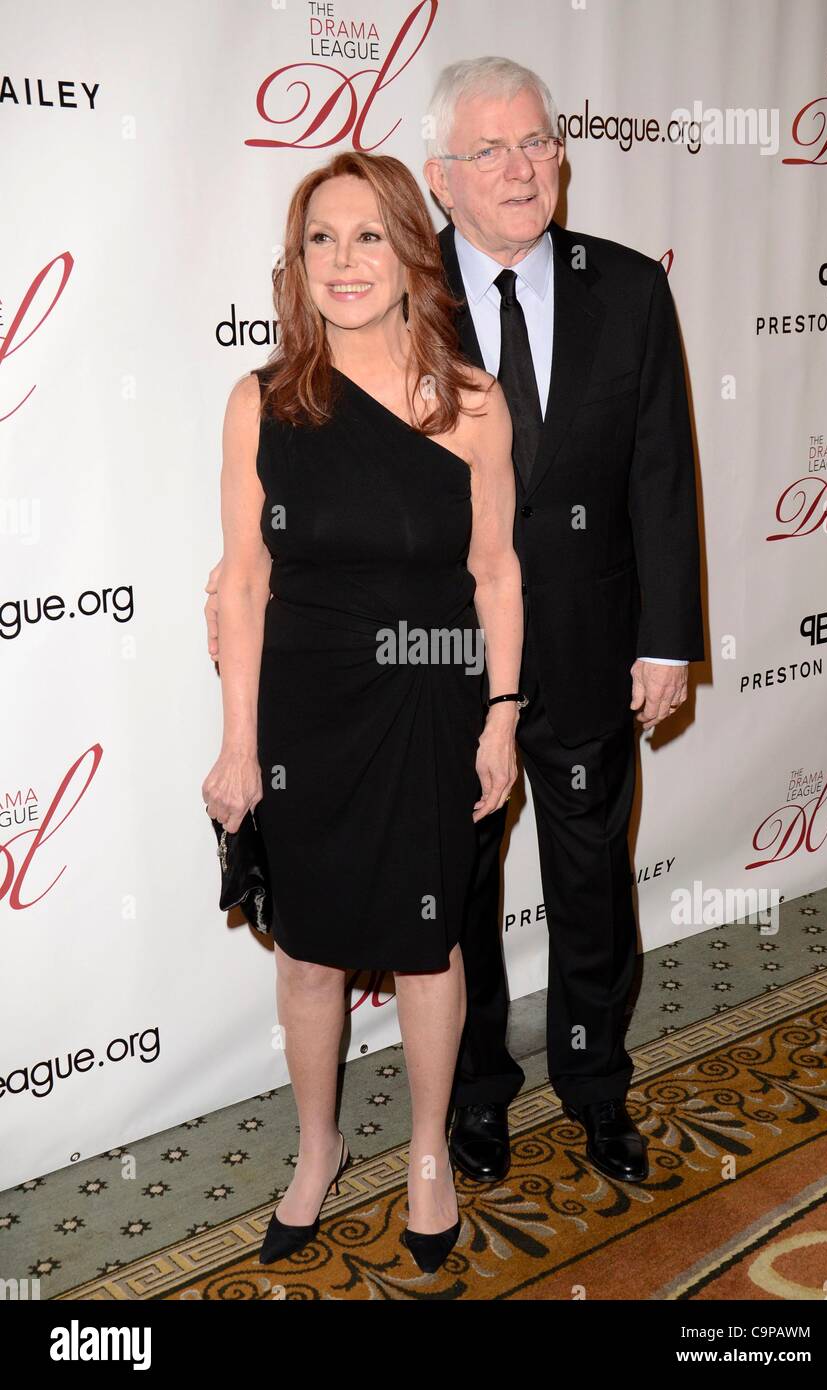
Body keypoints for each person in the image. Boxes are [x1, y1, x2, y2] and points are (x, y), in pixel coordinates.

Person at [206, 56, 704, 1193]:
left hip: (579, 639)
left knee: (591, 881)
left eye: (537, 143)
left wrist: (668, 636)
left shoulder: (628, 287)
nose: (521, 168)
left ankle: (596, 1087)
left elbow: (662, 473)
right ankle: (473, 1102)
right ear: (440, 175)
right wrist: (239, 578)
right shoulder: (395, 287)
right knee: (456, 896)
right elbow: (322, 472)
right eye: (488, 151)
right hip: (428, 666)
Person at [201, 148, 523, 1274]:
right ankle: (320, 1144)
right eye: (321, 240)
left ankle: (429, 1153)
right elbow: (242, 583)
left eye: (368, 236)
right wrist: (238, 743)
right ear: (298, 263)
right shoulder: (263, 401)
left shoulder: (471, 403)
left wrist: (501, 717)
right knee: (309, 953)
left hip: (433, 699)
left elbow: (496, 573)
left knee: (432, 948)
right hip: (307, 707)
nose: (344, 261)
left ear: (410, 251)